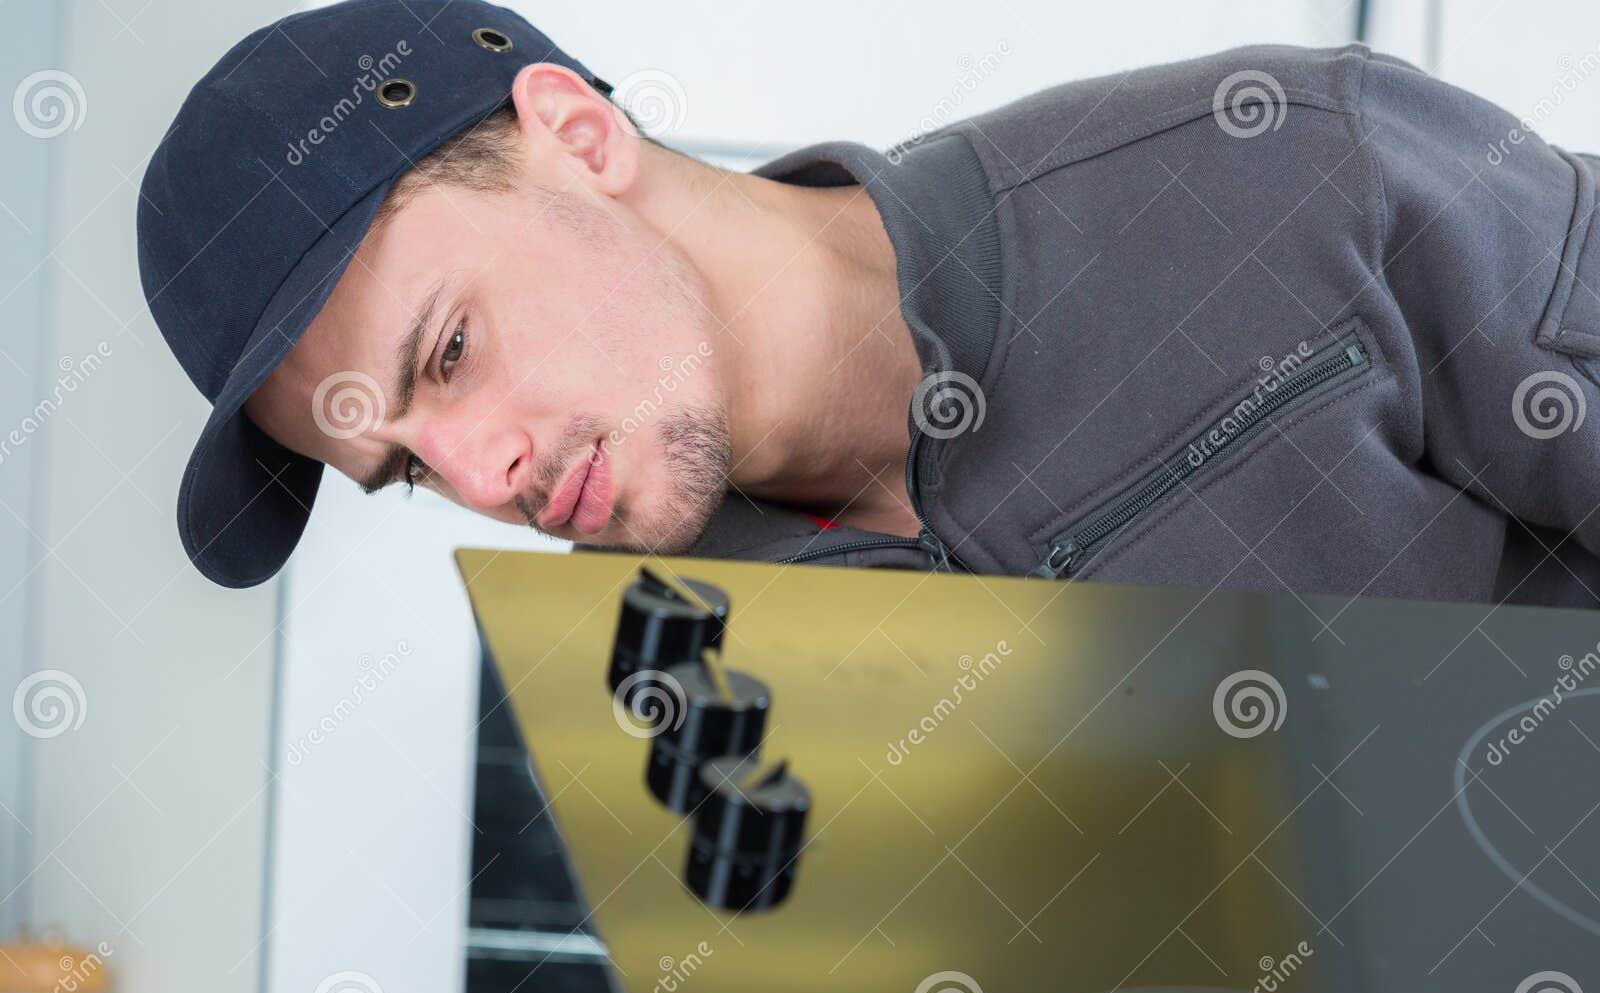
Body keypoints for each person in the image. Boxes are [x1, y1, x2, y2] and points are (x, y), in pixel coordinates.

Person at [138, 0, 1600, 607]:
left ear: (579, 140)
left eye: (450, 353)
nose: (480, 478)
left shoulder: (1282, 164)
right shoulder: (683, 688)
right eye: (400, 467)